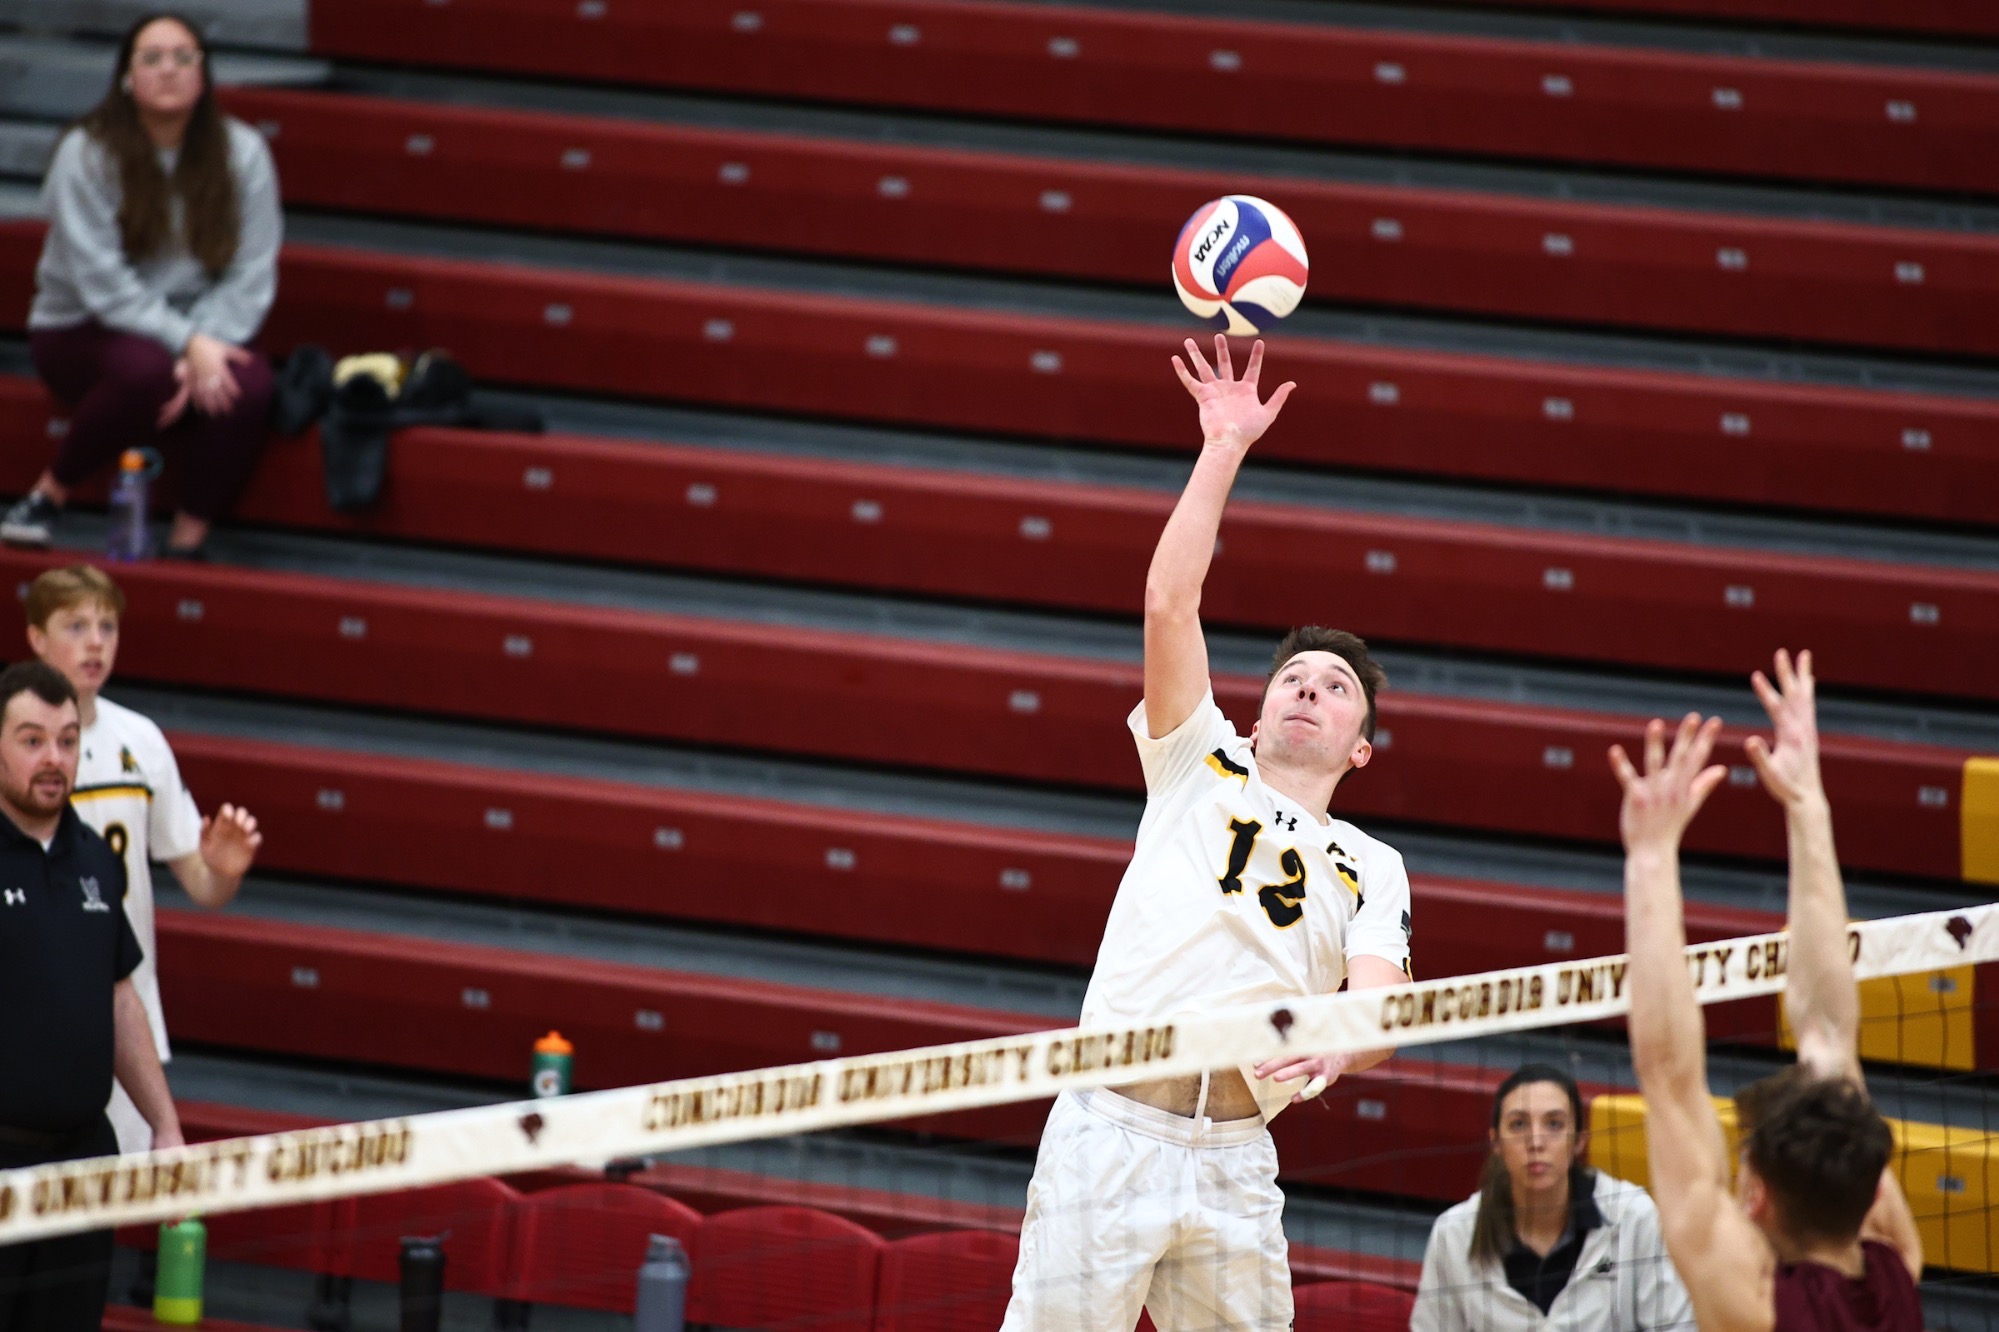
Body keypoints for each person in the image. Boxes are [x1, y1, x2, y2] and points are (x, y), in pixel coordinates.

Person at [1000, 336, 1414, 1332]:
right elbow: (1167, 602)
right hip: (1113, 1131)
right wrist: (1222, 446)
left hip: (1234, 1159)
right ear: (1260, 706)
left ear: (1360, 747)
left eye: (1336, 688)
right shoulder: (1197, 759)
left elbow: (1379, 1007)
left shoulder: (1371, 863)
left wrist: (1344, 1050)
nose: (1309, 690)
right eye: (1293, 678)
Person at [1612, 650, 1924, 1332]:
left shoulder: (1753, 1306)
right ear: (1874, 1191)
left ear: (1754, 1197)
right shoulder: (1895, 1264)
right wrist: (1807, 803)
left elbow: (1668, 1076)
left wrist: (1649, 856)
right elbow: (1826, 1040)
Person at [5, 10, 282, 559]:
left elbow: (252, 273)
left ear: (204, 77)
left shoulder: (244, 152)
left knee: (248, 387)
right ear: (127, 76)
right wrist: (186, 343)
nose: (169, 70)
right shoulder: (86, 151)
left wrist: (202, 342)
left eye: (184, 58)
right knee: (147, 373)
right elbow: (100, 283)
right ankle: (47, 495)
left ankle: (188, 537)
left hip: (196, 326)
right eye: (151, 58)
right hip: (82, 325)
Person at [24, 563, 261, 1154]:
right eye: (76, 626)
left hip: (124, 1019)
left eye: (107, 626)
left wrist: (224, 871)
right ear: (35, 637)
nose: (96, 642)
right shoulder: (13, 747)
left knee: (113, 1215)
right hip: (29, 1016)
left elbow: (202, 887)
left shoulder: (143, 741)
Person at [0, 660, 182, 1331]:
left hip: (82, 1162)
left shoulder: (97, 859)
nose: (54, 758)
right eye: (31, 740)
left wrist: (164, 1126)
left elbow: (119, 998)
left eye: (68, 740)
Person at [1411, 1063, 1693, 1331]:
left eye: (1554, 1124)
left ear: (1579, 1140)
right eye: (1519, 1124)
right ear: (1496, 1142)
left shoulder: (1634, 1216)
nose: (1536, 1141)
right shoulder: (1453, 1233)